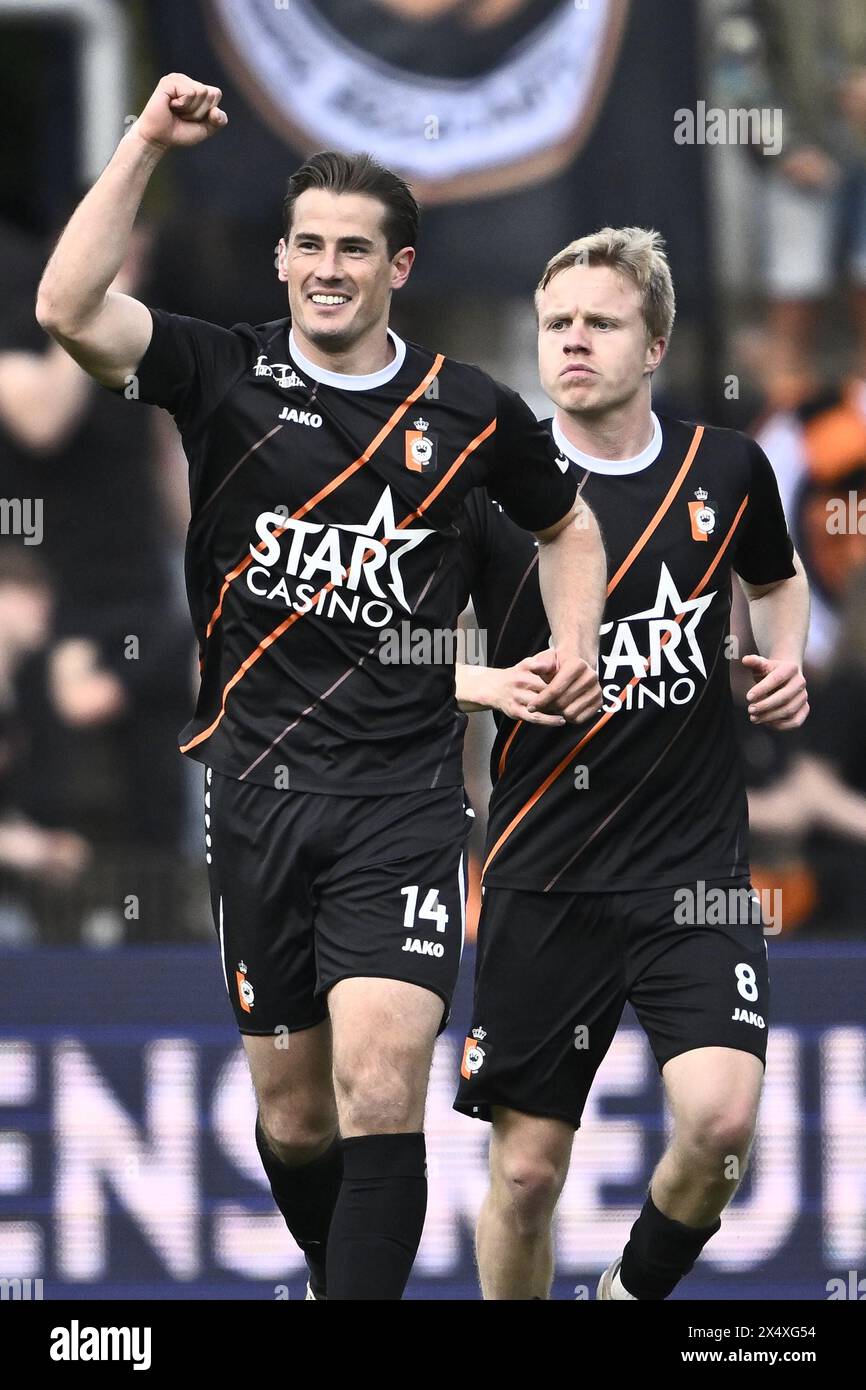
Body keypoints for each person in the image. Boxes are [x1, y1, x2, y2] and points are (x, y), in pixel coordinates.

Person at [35, 73, 606, 1300]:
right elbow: (67, 302)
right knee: (297, 1123)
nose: (326, 267)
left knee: (381, 1081)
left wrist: (575, 645)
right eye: (307, 245)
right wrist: (142, 140)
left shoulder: (466, 411)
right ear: (282, 259)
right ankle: (330, 1268)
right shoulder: (219, 375)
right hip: (252, 792)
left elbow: (566, 529)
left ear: (400, 268)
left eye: (354, 248)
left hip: (401, 800)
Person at [453, 227, 811, 1299]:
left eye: (599, 323)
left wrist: (782, 656)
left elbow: (778, 577)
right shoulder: (487, 490)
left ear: (652, 343)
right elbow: (385, 650)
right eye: (555, 324)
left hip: (689, 871)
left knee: (721, 1122)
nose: (571, 342)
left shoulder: (727, 469)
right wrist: (485, 683)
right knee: (524, 1174)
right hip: (540, 871)